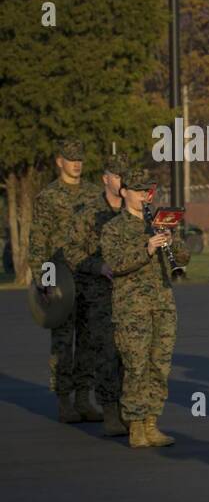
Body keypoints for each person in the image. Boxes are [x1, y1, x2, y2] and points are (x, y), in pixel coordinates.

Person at [100, 169, 192, 448]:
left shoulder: (157, 222)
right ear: (124, 191)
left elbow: (185, 258)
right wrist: (147, 248)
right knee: (136, 367)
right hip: (132, 309)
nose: (143, 196)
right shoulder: (113, 228)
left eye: (147, 191)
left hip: (162, 304)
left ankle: (152, 422)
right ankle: (136, 425)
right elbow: (115, 264)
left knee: (159, 366)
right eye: (138, 191)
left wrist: (172, 240)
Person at [29, 138, 104, 423]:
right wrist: (43, 280)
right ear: (59, 161)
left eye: (80, 158)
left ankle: (84, 398)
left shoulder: (94, 194)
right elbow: (38, 242)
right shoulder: (48, 197)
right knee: (62, 342)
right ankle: (64, 400)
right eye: (71, 158)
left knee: (88, 340)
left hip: (89, 276)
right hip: (60, 276)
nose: (76, 163)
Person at [64, 152, 129, 436]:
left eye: (125, 176)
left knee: (128, 354)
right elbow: (71, 251)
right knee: (102, 352)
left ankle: (127, 409)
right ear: (106, 179)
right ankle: (107, 410)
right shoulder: (89, 213)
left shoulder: (133, 211)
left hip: (128, 294)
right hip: (97, 294)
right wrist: (97, 266)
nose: (122, 181)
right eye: (117, 176)